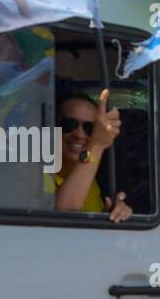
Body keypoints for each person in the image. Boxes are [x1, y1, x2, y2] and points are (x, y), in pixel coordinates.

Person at [48, 89, 133, 223]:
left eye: (90, 128)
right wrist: (97, 145)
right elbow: (61, 218)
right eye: (69, 125)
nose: (79, 135)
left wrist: (114, 214)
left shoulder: (94, 181)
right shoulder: (35, 177)